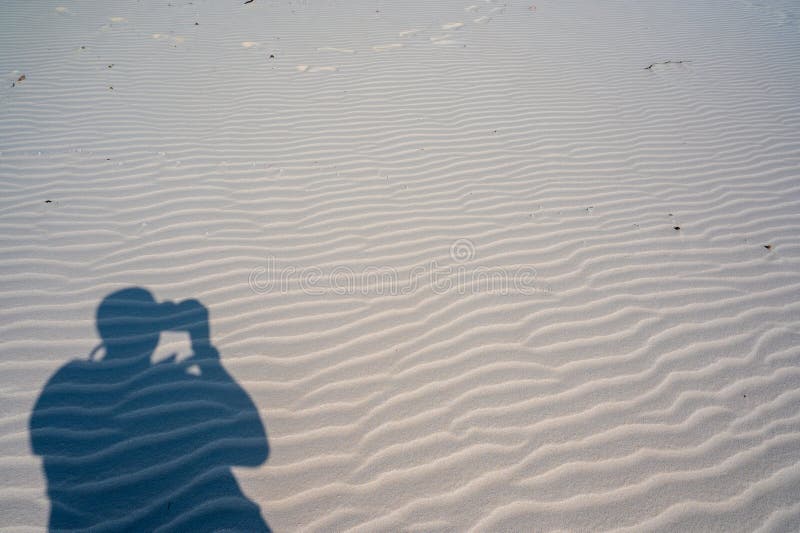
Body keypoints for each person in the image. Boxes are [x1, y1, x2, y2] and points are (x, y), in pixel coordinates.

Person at [30, 287, 270, 532]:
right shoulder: (178, 386)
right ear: (155, 331)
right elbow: (255, 450)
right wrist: (203, 348)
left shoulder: (68, 381)